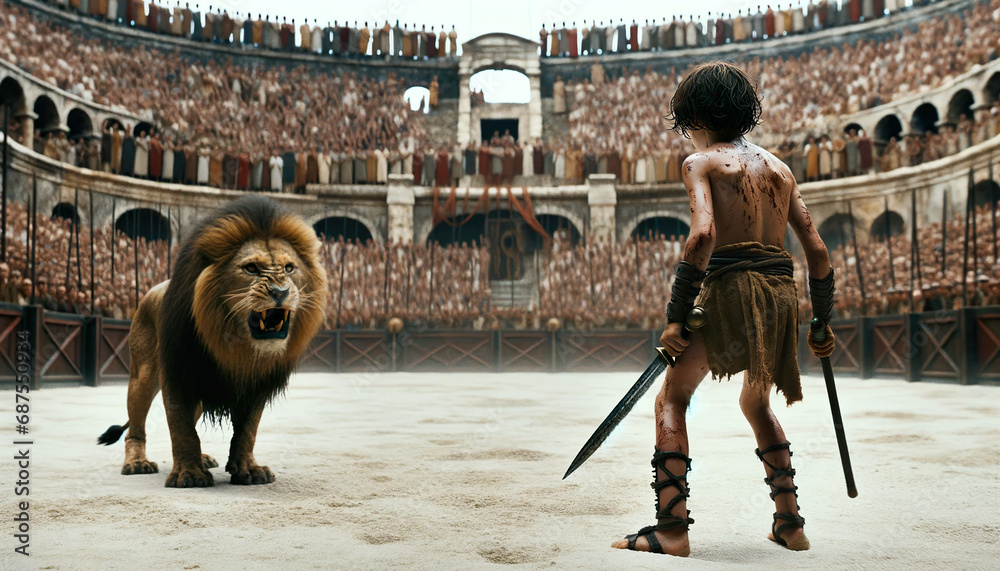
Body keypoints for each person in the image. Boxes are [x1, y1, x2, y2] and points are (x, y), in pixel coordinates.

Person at [611, 62, 836, 556]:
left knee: (672, 399)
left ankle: (671, 529)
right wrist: (821, 321)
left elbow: (703, 236)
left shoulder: (703, 162)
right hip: (781, 299)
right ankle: (790, 523)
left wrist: (676, 315)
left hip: (732, 291)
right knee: (757, 403)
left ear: (693, 117)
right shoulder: (780, 170)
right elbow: (818, 254)